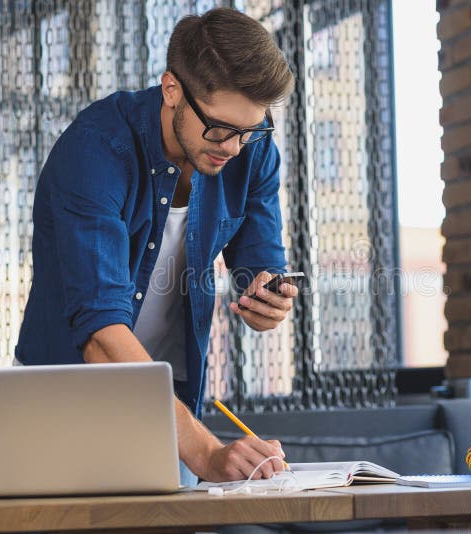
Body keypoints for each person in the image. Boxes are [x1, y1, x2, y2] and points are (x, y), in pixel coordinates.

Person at [15, 7, 298, 485]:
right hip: (61, 405)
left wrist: (265, 298)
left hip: (169, 411)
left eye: (250, 130)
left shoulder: (252, 149)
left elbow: (258, 264)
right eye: (220, 128)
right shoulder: (94, 151)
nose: (232, 147)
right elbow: (101, 333)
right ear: (172, 90)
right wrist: (208, 453)